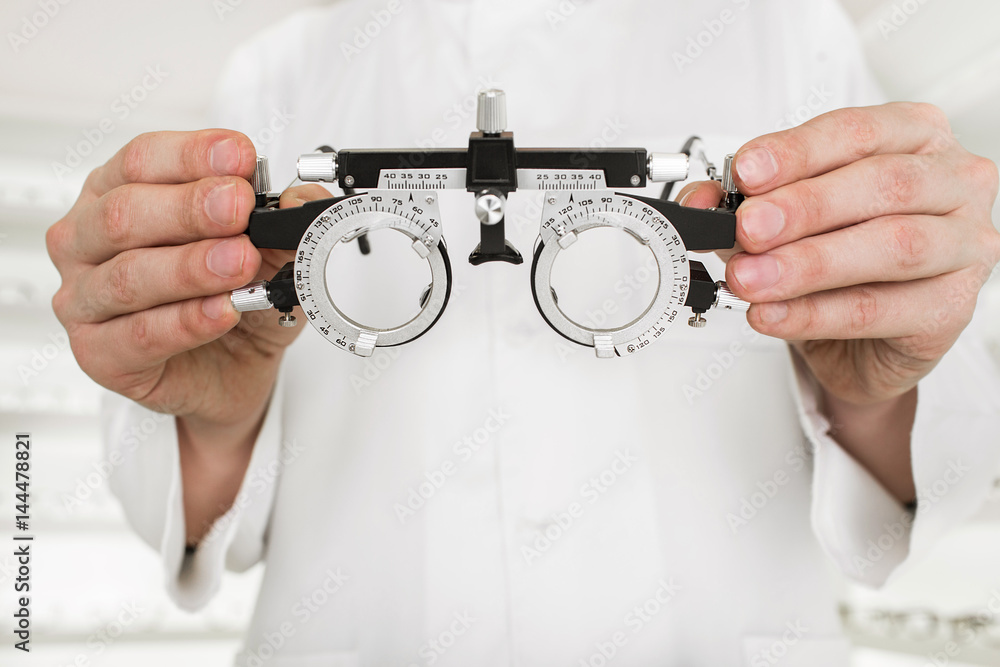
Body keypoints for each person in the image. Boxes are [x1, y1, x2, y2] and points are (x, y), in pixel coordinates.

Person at [46, 1, 1000, 665]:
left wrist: (873, 386)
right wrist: (217, 423)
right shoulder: (279, 70)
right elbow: (193, 511)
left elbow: (929, 453)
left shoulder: (787, 30)